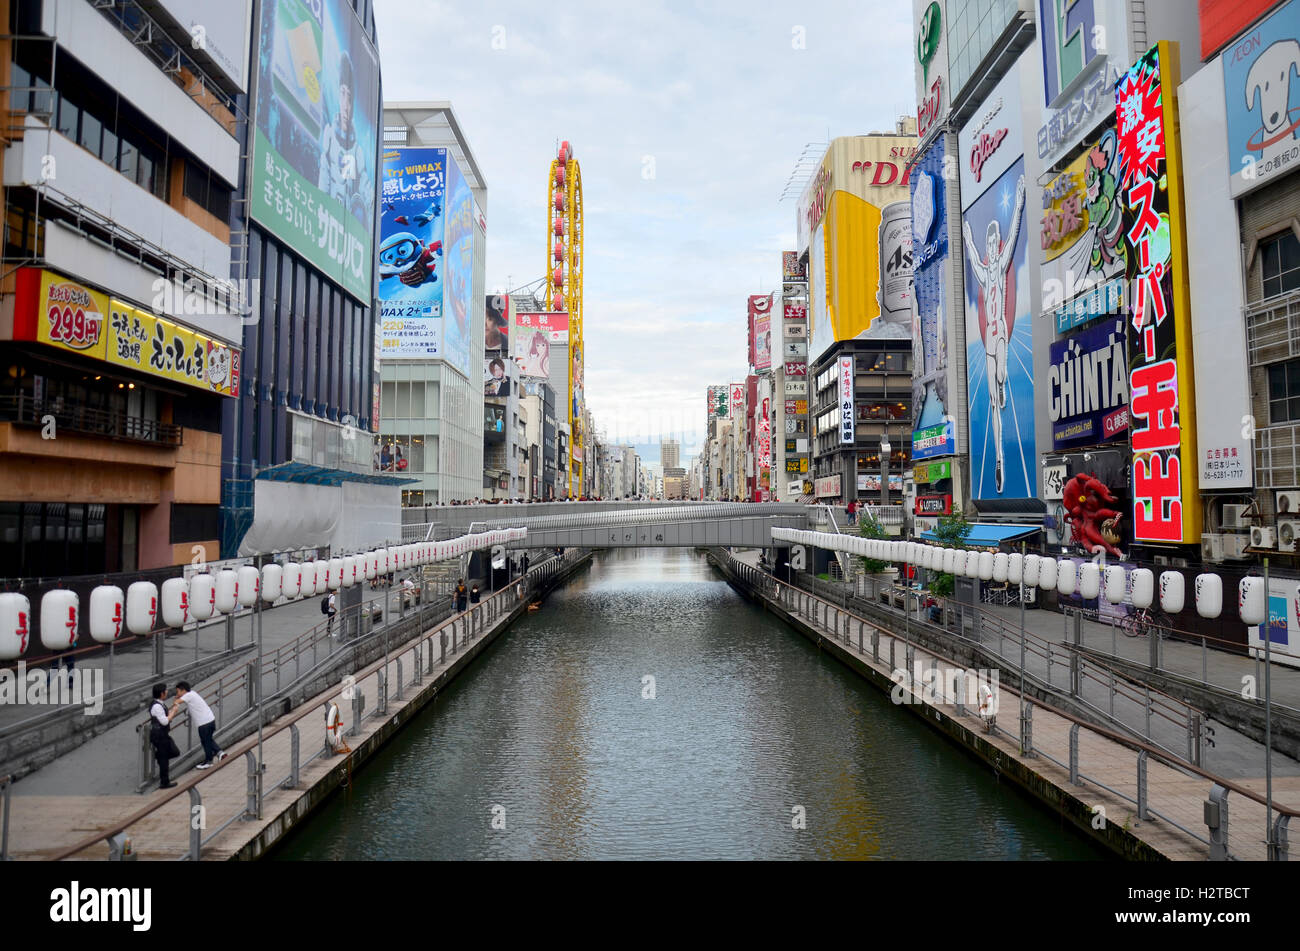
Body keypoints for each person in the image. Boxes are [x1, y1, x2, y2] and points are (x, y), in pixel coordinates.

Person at [962, 173, 1026, 494]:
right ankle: (999, 459)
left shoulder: (1000, 268)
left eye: (994, 241)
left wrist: (1019, 202)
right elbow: (972, 254)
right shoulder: (986, 274)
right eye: (989, 242)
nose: (992, 245)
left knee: (1000, 375)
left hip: (1000, 331)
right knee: (990, 402)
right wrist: (967, 235)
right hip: (989, 338)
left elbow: (1015, 232)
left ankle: (1002, 382)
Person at [172, 681, 225, 769]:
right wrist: (178, 696)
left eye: (178, 691)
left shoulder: (188, 695)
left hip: (204, 723)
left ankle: (209, 761)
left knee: (205, 742)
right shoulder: (193, 693)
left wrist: (175, 702)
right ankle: (220, 753)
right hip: (210, 720)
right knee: (208, 739)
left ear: (183, 690)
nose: (177, 693)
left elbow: (177, 701)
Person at [149, 683, 178, 789]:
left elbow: (164, 717)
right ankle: (164, 782)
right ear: (161, 693)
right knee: (165, 758)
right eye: (165, 691)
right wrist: (173, 712)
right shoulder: (157, 706)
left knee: (173, 752)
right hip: (159, 735)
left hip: (162, 734)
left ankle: (160, 757)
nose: (167, 692)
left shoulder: (160, 704)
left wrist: (171, 712)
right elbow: (165, 721)